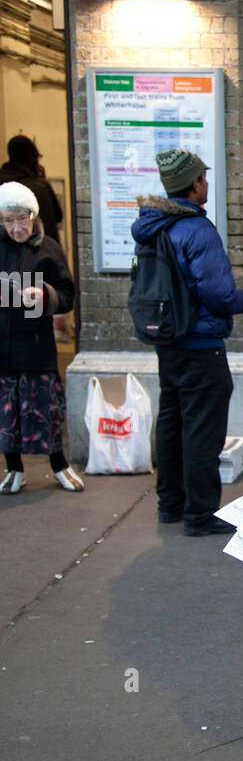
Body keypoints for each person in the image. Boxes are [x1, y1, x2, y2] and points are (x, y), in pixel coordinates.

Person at [131, 149, 243, 536]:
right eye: (203, 178)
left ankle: (170, 505)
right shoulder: (196, 230)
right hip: (200, 344)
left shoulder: (153, 225)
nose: (206, 183)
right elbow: (219, 295)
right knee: (202, 431)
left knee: (172, 421)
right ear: (195, 184)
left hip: (168, 339)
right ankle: (200, 515)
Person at [0, 180, 81, 493]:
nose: (16, 227)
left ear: (32, 215)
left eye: (22, 218)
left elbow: (68, 294)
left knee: (45, 409)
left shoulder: (47, 248)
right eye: (8, 220)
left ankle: (59, 464)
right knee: (7, 413)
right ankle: (14, 469)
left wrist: (45, 295)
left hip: (35, 346)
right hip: (3, 346)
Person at [0, 136, 63, 241]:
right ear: (30, 157)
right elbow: (55, 221)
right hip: (35, 254)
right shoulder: (40, 188)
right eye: (37, 157)